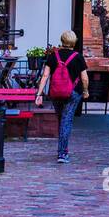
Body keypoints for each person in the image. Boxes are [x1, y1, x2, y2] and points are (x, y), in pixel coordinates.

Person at [35, 30, 88, 164]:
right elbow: (84, 77)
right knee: (67, 120)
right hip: (73, 93)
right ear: (73, 41)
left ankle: (63, 149)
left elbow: (45, 76)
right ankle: (62, 153)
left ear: (62, 40)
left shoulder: (54, 56)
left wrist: (39, 93)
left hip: (56, 93)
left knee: (61, 119)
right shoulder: (78, 57)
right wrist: (86, 91)